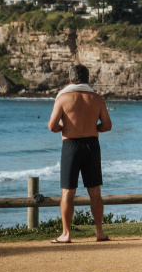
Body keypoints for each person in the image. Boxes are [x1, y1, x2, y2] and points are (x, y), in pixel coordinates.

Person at [47, 64, 112, 243]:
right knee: (95, 191)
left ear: (70, 78)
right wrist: (92, 127)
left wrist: (66, 128)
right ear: (87, 78)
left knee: (68, 191)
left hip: (71, 146)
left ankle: (66, 234)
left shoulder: (63, 98)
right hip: (92, 144)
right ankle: (99, 232)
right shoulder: (97, 99)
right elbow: (107, 125)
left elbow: (52, 126)